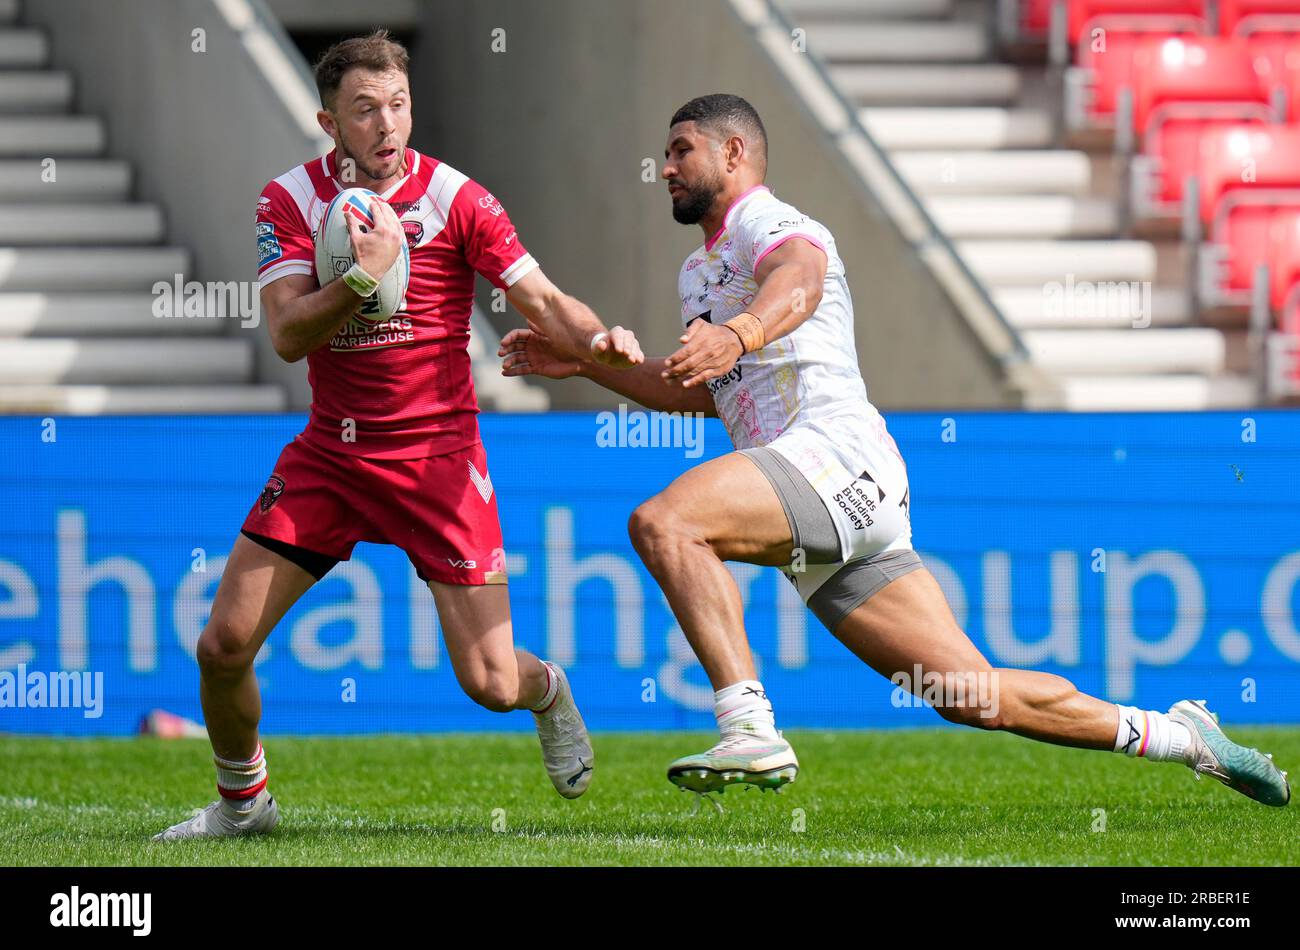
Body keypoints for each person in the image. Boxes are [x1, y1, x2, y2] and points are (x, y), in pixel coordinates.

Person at [499, 93, 1290, 807]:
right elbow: (706, 394)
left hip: (834, 458)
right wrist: (597, 369)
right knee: (971, 695)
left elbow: (799, 283)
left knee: (665, 523)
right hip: (820, 494)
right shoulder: (700, 269)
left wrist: (738, 331)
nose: (665, 167)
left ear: (734, 154)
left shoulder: (768, 224)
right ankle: (1186, 737)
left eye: (681, 149)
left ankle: (749, 724)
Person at [154, 31, 643, 841]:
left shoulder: (459, 199)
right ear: (328, 121)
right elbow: (286, 336)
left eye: (399, 105)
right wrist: (361, 275)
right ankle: (245, 807)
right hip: (332, 459)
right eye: (365, 110)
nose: (387, 125)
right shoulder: (287, 200)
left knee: (490, 683)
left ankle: (548, 688)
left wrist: (598, 344)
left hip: (438, 460)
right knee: (223, 642)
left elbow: (546, 301)